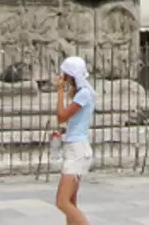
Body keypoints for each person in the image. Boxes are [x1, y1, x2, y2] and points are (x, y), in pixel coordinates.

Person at [52, 56, 96, 225]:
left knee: (62, 202)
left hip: (77, 150)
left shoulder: (83, 94)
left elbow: (61, 116)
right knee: (71, 202)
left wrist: (60, 91)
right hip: (76, 146)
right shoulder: (83, 93)